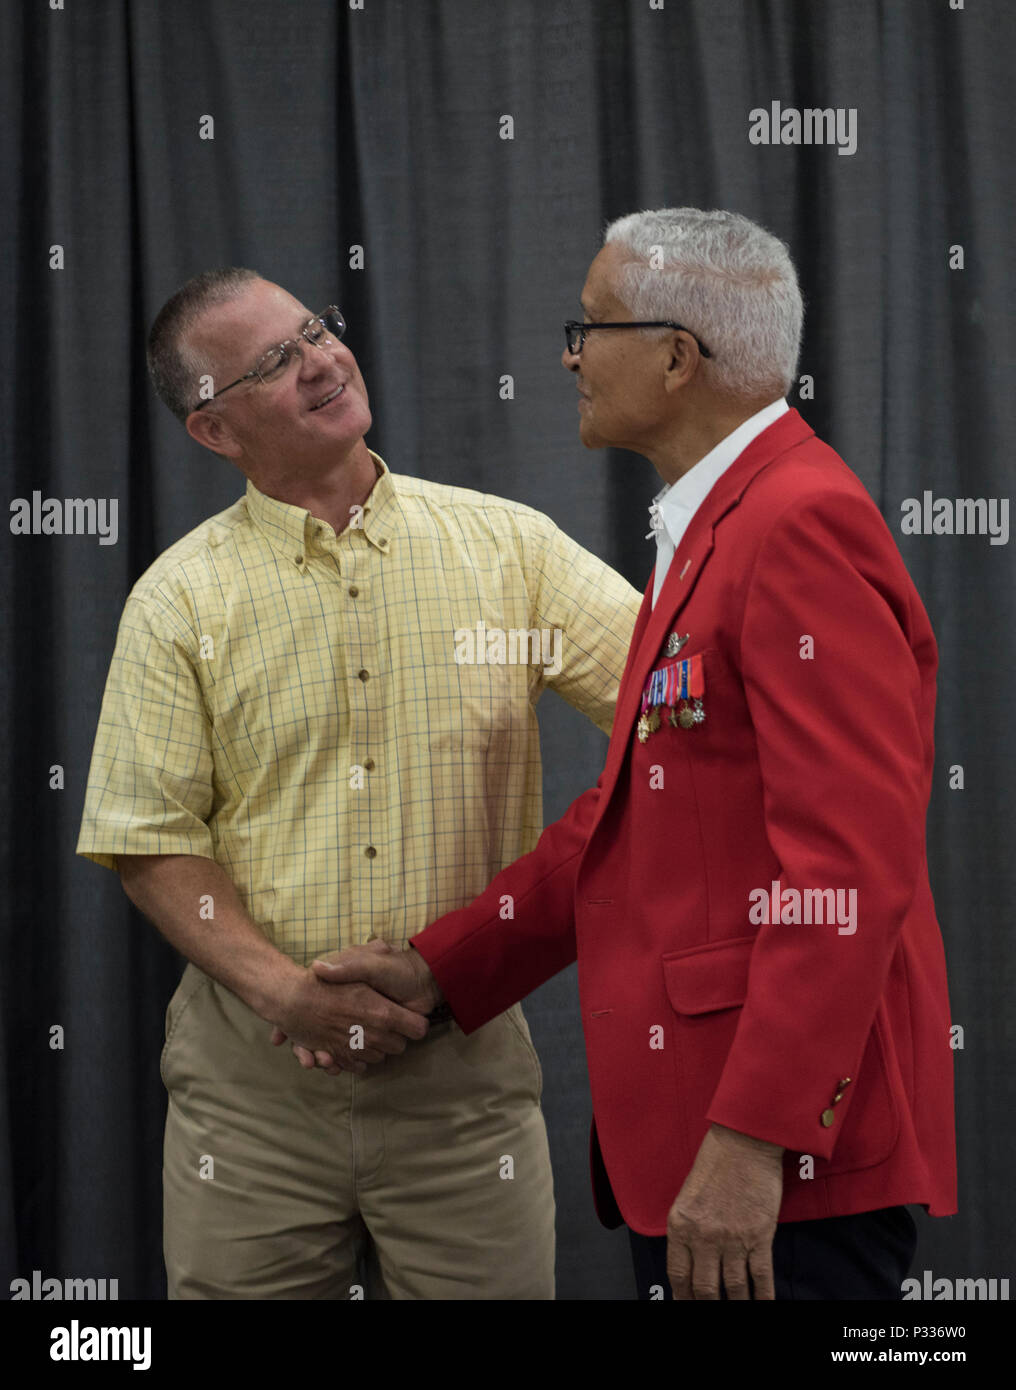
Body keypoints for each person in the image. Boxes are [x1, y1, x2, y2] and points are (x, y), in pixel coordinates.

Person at [286, 209, 958, 1301]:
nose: (567, 355)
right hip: (709, 1143)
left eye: (588, 326)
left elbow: (844, 875)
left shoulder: (793, 524)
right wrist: (441, 967)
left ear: (675, 357)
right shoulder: (714, 523)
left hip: (781, 1170)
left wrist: (752, 1140)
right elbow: (625, 823)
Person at [75, 267, 642, 1299]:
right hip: (252, 1099)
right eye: (273, 361)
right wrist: (289, 995)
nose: (322, 362)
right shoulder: (175, 601)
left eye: (314, 331)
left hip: (461, 1089)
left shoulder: (508, 549)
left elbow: (673, 714)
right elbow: (149, 840)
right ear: (213, 430)